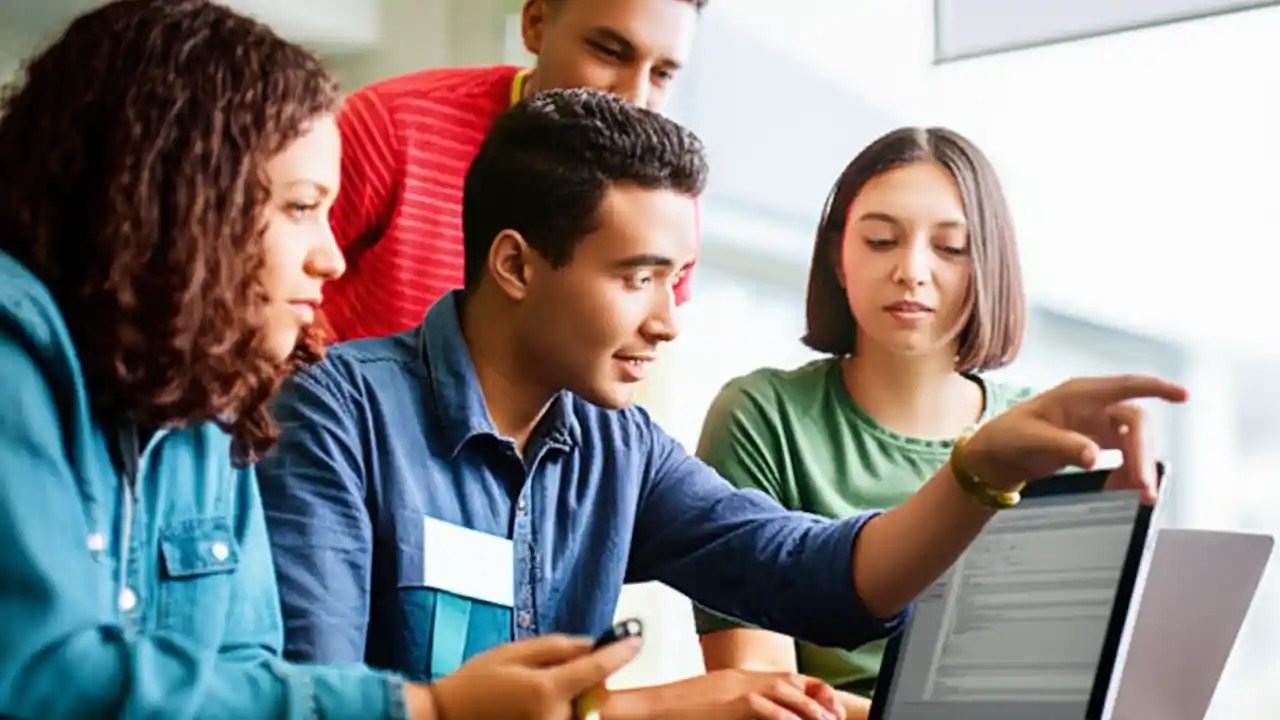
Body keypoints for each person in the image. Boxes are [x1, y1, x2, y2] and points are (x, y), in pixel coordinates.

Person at [257, 88, 1187, 720]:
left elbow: (819, 577)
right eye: (640, 278)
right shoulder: (338, 417)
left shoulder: (615, 448)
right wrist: (651, 710)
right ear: (514, 265)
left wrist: (980, 471)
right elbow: (322, 702)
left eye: (683, 279)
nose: (669, 321)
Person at [0, 2, 641, 718]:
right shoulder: (12, 352)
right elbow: (45, 679)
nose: (331, 257)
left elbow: (248, 666)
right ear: (177, 195)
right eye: (302, 207)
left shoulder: (208, 408)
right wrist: (426, 710)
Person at [693, 127, 1035, 718]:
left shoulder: (1033, 435)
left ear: (988, 265)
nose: (912, 270)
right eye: (881, 240)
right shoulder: (763, 417)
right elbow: (764, 698)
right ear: (837, 256)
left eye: (950, 248)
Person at [322, 0, 708, 342]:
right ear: (536, 24)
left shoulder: (666, 196)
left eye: (663, 75)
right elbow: (266, 291)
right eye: (609, 52)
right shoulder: (389, 129)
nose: (635, 98)